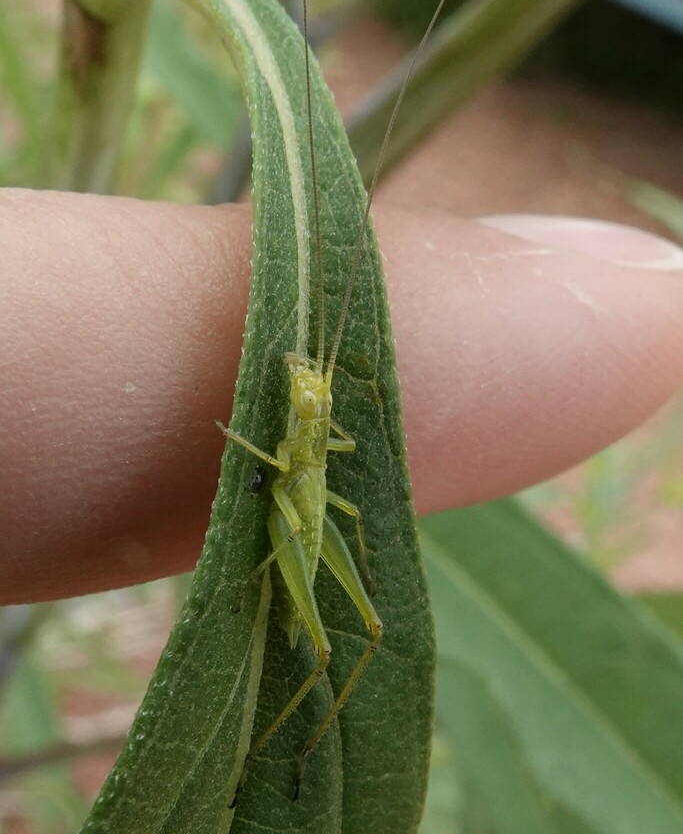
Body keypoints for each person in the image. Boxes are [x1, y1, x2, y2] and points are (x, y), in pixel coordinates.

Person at [2, 189, 682, 604]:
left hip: (294, 521)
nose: (313, 395)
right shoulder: (311, 417)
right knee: (327, 506)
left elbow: (278, 468)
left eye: (315, 398)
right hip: (302, 496)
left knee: (346, 609)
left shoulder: (303, 438)